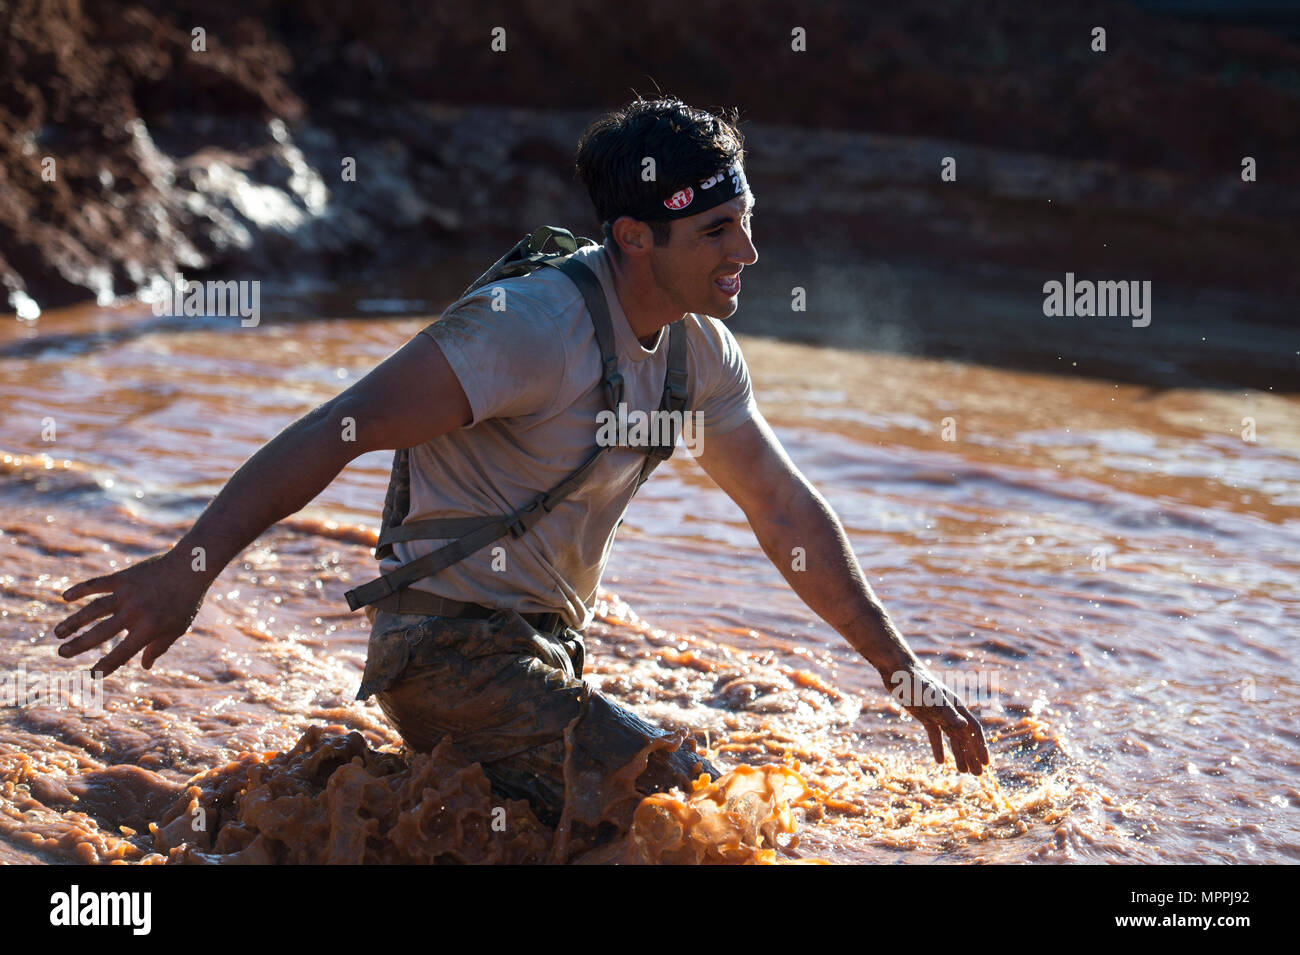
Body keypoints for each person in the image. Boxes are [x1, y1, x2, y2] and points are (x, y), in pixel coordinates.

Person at [53, 96, 989, 828]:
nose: (748, 250)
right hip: (444, 651)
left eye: (746, 220)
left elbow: (783, 510)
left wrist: (901, 672)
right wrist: (190, 568)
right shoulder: (530, 331)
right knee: (693, 808)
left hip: (548, 649)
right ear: (632, 237)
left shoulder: (700, 350)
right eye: (716, 232)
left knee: (617, 813)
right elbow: (336, 427)